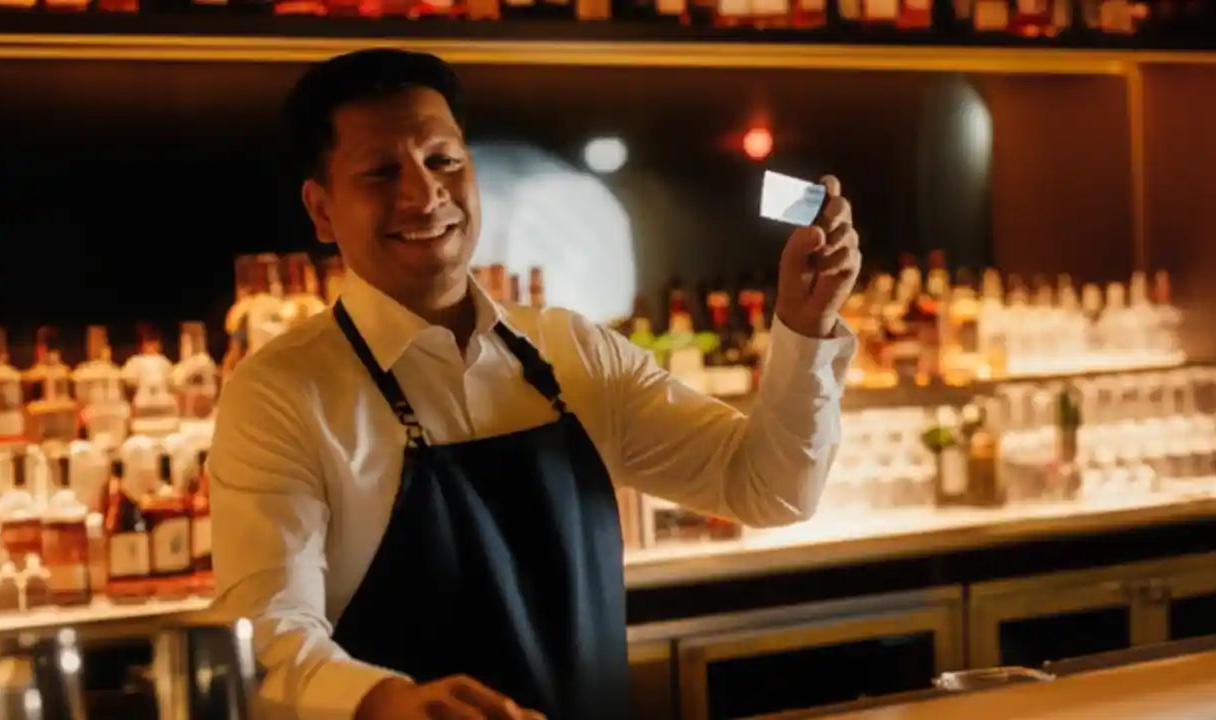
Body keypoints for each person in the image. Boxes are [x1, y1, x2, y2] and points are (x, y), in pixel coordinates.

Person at [208, 48, 862, 720]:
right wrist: (384, 702)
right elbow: (263, 636)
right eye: (380, 172)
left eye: (444, 162)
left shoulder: (573, 352)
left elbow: (771, 486)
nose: (423, 194)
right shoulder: (280, 394)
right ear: (321, 209)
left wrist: (805, 327)